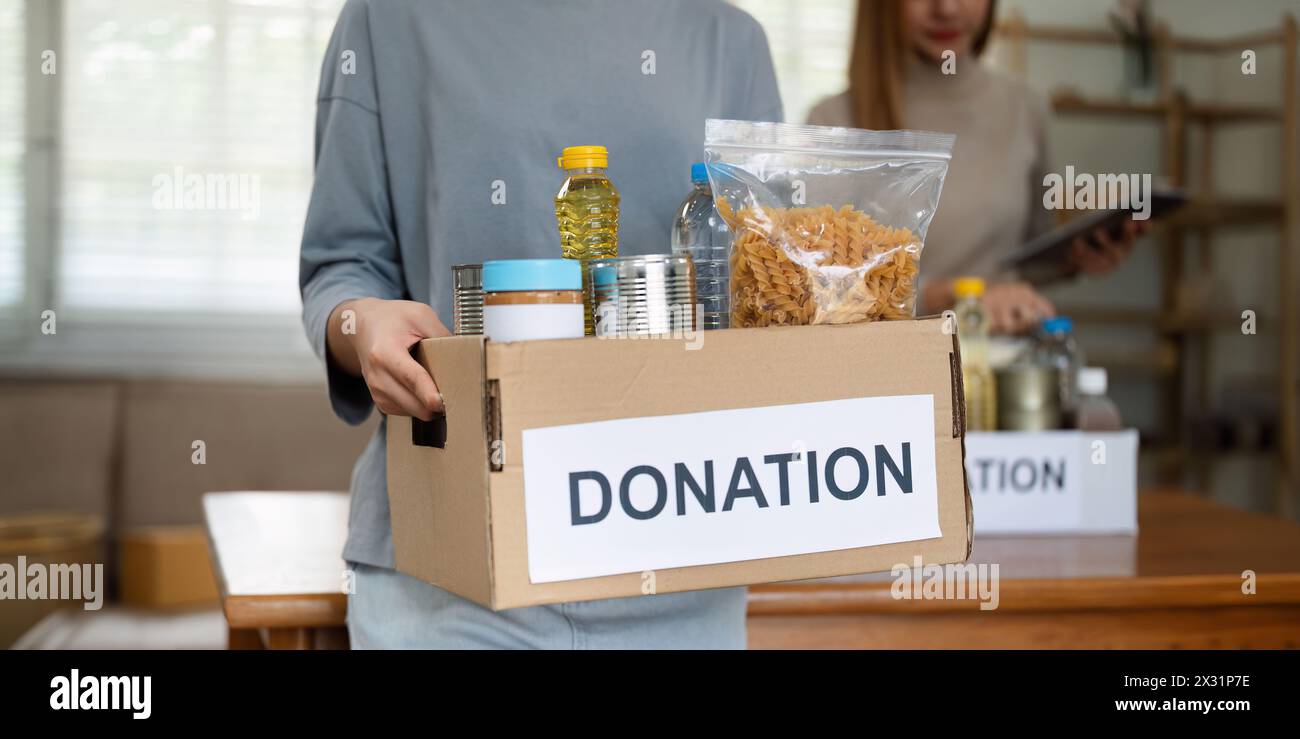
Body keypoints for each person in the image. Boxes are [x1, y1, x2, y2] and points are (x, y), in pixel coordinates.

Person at [299, 0, 782, 648]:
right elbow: (341, 263)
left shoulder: (730, 41)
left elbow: (769, 280)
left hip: (677, 558)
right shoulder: (386, 20)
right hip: (452, 565)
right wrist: (365, 327)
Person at [808, 0, 1143, 334]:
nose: (947, 8)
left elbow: (1028, 262)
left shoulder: (1026, 109)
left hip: (1000, 366)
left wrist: (1077, 258)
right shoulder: (832, 123)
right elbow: (824, 288)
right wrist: (947, 297)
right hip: (891, 372)